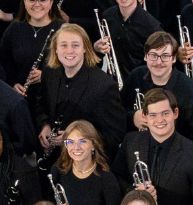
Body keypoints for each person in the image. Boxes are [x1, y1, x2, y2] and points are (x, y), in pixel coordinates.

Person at [115, 88, 193, 205]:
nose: (159, 120)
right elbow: (117, 177)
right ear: (144, 116)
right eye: (153, 115)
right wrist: (134, 192)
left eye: (165, 113)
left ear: (175, 113)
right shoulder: (131, 142)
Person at [34, 23, 125, 159]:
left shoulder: (104, 86)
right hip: (53, 158)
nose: (69, 51)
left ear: (85, 49)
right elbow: (41, 102)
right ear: (56, 49)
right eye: (63, 45)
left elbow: (115, 134)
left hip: (87, 161)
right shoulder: (50, 72)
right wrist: (45, 124)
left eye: (75, 45)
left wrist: (75, 138)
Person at [127, 32, 193, 144]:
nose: (158, 62)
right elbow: (120, 111)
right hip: (141, 147)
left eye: (165, 56)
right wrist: (133, 117)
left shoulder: (191, 91)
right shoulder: (135, 77)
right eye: (153, 55)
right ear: (145, 56)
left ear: (174, 58)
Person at [96, 0, 163, 90]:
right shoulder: (107, 17)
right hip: (113, 84)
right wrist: (96, 48)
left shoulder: (152, 27)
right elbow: (97, 57)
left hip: (142, 86)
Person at [0, 0, 65, 91]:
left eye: (43, 0)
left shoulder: (64, 29)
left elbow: (74, 64)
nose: (37, 4)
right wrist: (12, 83)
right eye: (31, 0)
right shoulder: (14, 29)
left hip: (55, 93)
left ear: (51, 2)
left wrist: (47, 75)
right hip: (21, 95)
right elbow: (3, 63)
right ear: (24, 2)